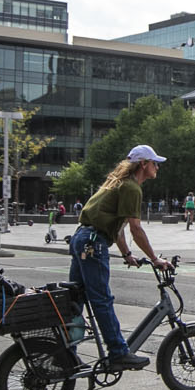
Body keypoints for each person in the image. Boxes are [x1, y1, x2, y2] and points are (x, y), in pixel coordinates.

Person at [71, 144, 166, 371]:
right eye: (154, 163)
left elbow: (119, 228)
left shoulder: (116, 183)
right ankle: (118, 353)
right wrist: (155, 259)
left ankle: (66, 353)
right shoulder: (132, 187)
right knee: (101, 299)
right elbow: (135, 228)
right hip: (94, 243)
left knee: (74, 300)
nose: (157, 167)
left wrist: (127, 254)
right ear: (143, 164)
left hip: (82, 238)